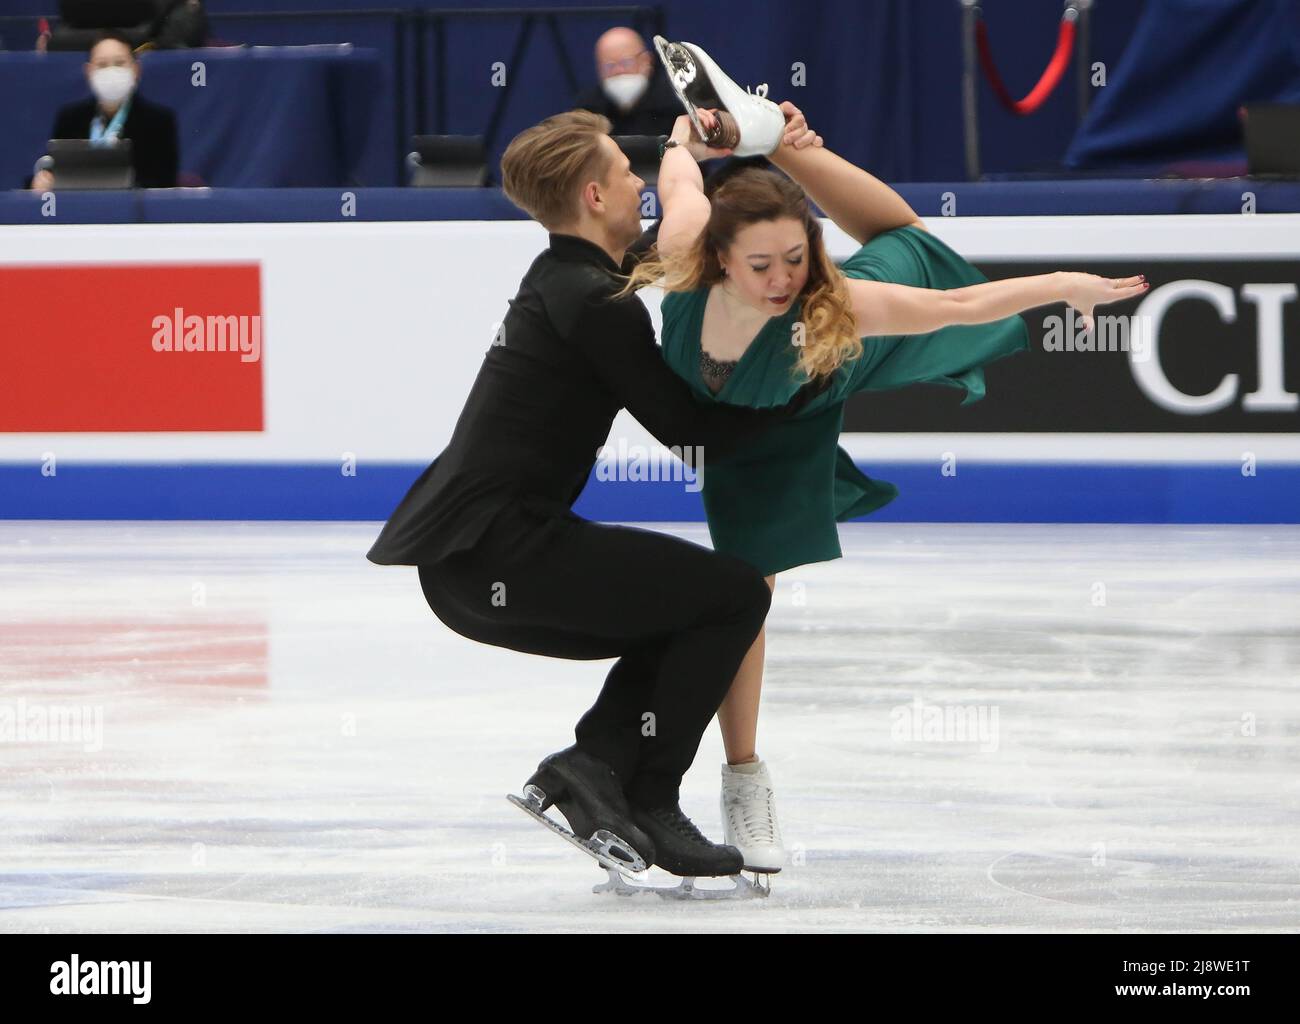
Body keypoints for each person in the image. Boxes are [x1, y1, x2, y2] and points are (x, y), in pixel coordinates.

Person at [618, 38, 1149, 876]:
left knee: (904, 242)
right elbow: (676, 180)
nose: (784, 277)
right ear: (719, 257)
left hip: (814, 388)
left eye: (799, 257)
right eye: (762, 264)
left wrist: (1061, 286)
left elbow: (958, 305)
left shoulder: (833, 303)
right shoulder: (685, 250)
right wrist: (686, 143)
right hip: (741, 429)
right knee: (737, 594)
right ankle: (776, 137)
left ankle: (744, 781)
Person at [366, 107, 827, 879]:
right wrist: (807, 391)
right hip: (499, 549)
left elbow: (673, 245)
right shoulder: (592, 301)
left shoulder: (568, 276)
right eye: (622, 172)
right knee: (735, 596)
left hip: (467, 563)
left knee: (682, 608)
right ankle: (648, 798)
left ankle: (594, 769)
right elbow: (692, 432)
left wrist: (692, 148)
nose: (637, 182)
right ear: (592, 197)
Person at [28, 31, 179, 191]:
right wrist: (43, 181)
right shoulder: (70, 118)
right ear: (88, 72)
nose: (111, 72)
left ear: (136, 70)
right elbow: (54, 172)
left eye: (120, 63)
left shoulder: (159, 121)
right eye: (102, 64)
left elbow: (163, 184)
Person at [573, 27, 682, 137]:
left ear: (646, 61)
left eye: (626, 62)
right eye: (609, 66)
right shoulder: (586, 110)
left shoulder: (676, 104)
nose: (618, 71)